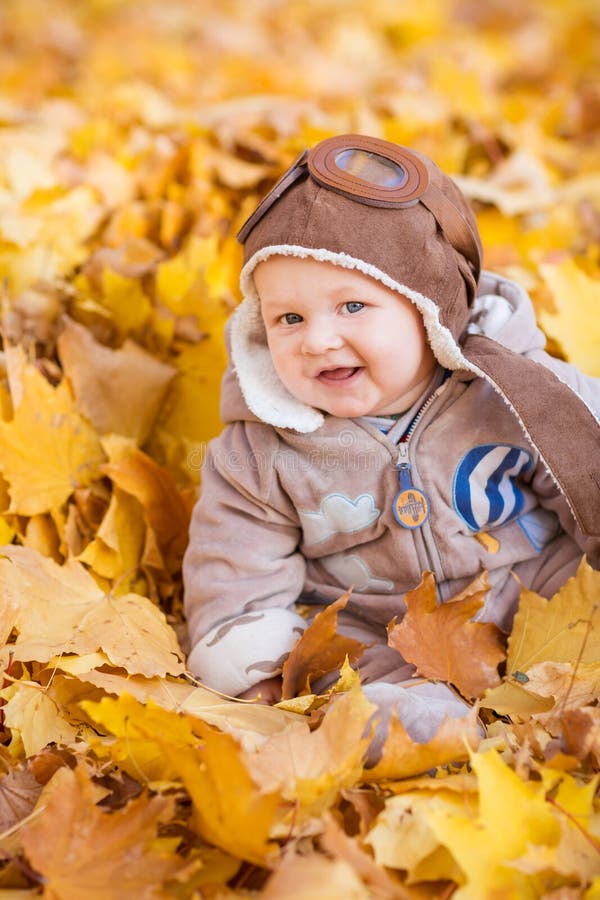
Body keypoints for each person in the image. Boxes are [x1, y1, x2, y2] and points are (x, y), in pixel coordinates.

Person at [182, 134, 600, 747]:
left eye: (352, 306)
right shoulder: (260, 452)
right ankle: (421, 728)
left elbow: (584, 464)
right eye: (289, 319)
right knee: (356, 684)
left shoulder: (512, 391)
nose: (318, 340)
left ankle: (570, 692)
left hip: (531, 588)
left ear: (427, 310)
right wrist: (257, 662)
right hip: (382, 631)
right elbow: (235, 566)